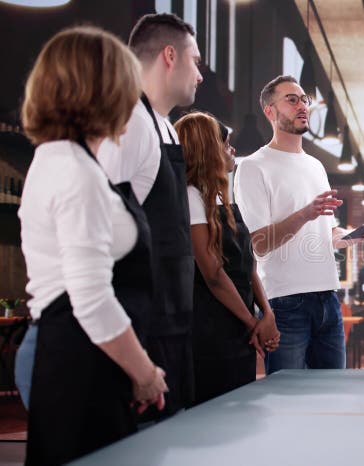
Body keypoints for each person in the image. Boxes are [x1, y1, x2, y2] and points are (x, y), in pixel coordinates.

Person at [17, 26, 167, 465]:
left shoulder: (65, 158)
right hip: (81, 364)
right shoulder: (74, 171)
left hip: (90, 360)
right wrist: (146, 374)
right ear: (104, 89)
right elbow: (91, 300)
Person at [234, 75, 364, 373]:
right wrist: (305, 213)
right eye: (291, 99)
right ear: (269, 111)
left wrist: (357, 236)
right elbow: (258, 244)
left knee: (331, 398)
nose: (302, 105)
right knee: (288, 401)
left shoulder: (315, 166)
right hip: (285, 302)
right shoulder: (253, 167)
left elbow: (328, 235)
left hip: (329, 298)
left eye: (304, 100)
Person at [98, 12, 203, 418]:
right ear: (170, 56)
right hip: (142, 327)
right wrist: (133, 359)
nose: (200, 75)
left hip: (172, 321)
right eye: (195, 61)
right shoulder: (130, 124)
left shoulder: (166, 127)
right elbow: (102, 245)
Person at [174, 112, 280, 405]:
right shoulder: (191, 197)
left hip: (240, 326)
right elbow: (213, 273)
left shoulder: (221, 198)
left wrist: (266, 314)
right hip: (213, 330)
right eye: (226, 143)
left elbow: (248, 267)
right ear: (208, 149)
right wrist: (252, 323)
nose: (232, 150)